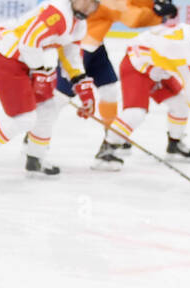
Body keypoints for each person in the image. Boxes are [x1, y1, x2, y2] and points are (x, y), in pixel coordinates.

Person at [0, 0, 101, 179]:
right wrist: (40, 72)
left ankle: (35, 159)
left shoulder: (79, 25)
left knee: (47, 109)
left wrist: (84, 90)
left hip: (25, 61)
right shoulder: (57, 14)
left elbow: (70, 55)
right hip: (6, 59)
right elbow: (29, 42)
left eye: (93, 4)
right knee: (24, 119)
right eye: (85, 2)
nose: (87, 8)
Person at [49, 0, 174, 170]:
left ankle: (111, 134)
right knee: (62, 96)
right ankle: (36, 133)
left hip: (95, 46)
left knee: (109, 90)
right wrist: (157, 14)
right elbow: (130, 17)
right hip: (78, 49)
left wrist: (155, 6)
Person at [104, 17, 190, 163]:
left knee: (179, 104)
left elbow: (158, 30)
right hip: (137, 65)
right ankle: (107, 148)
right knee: (135, 113)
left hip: (157, 68)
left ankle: (174, 144)